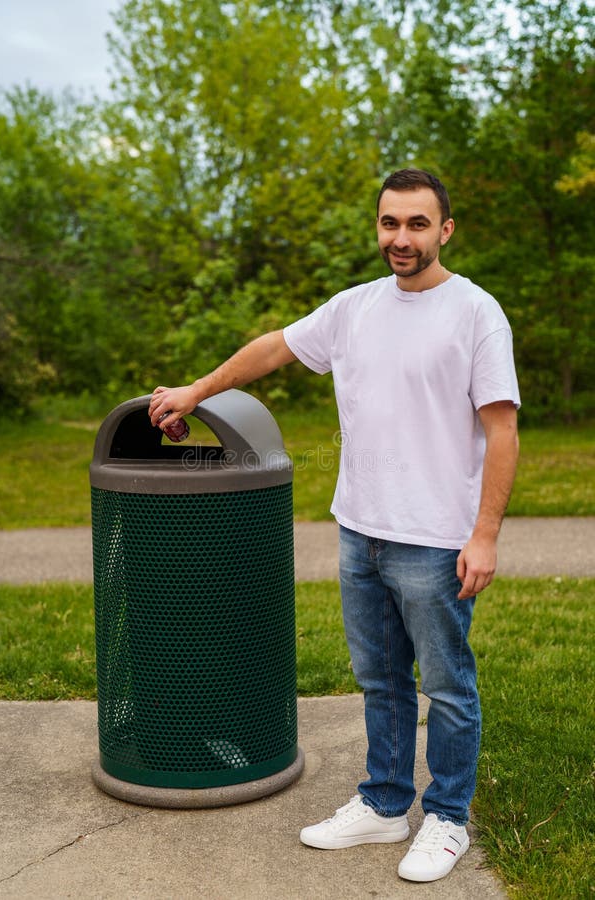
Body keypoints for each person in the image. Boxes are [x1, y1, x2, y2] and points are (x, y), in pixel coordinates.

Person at [148, 168, 520, 884]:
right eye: (389, 223)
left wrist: (486, 534)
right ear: (377, 227)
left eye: (417, 224)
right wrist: (197, 389)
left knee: (447, 686)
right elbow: (273, 348)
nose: (401, 238)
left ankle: (446, 817)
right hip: (360, 531)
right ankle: (384, 804)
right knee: (379, 680)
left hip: (436, 539)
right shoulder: (355, 309)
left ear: (445, 230)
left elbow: (501, 432)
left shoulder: (476, 314)